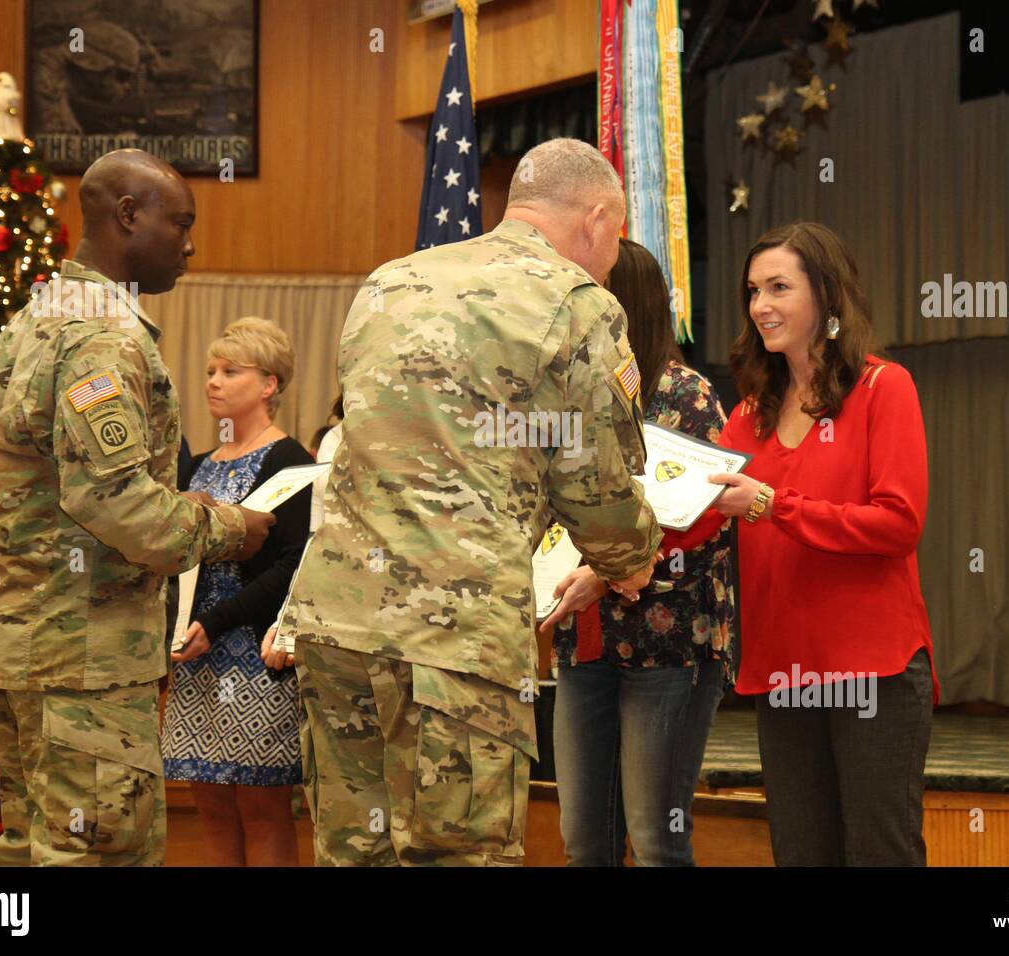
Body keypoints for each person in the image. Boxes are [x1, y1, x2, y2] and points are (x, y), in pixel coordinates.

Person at [270, 137, 661, 866]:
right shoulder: (578, 304)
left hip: (335, 624)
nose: (613, 255)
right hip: (454, 638)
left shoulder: (391, 280)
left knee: (354, 856)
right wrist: (632, 557)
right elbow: (596, 486)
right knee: (460, 857)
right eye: (618, 236)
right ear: (597, 217)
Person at [0, 148, 274, 867]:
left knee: (29, 851)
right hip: (85, 655)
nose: (190, 243)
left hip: (20, 646)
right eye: (181, 223)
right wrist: (234, 527)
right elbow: (114, 501)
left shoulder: (37, 317)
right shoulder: (103, 337)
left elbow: (5, 478)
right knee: (100, 854)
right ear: (127, 215)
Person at [676, 222, 936, 865]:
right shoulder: (751, 411)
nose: (760, 305)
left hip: (871, 670)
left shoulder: (883, 388)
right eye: (752, 290)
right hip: (782, 671)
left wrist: (771, 503)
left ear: (825, 296)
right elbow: (695, 519)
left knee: (880, 853)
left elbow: (897, 524)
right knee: (802, 855)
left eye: (779, 288)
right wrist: (604, 561)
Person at [542, 238, 734, 866]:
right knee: (584, 844)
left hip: (670, 648)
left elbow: (706, 528)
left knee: (657, 842)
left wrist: (609, 570)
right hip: (585, 645)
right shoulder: (574, 397)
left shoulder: (686, 395)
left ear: (623, 304)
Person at [162, 317, 313, 867]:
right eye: (209, 371)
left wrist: (219, 620)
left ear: (269, 384)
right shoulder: (197, 465)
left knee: (263, 810)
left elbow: (295, 565)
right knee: (213, 811)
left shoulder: (290, 460)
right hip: (195, 656)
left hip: (254, 653)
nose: (213, 381)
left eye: (230, 371)